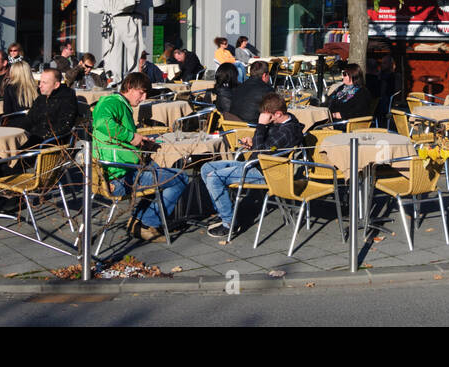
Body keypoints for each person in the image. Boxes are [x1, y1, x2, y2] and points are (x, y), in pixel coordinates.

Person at [92, 72, 189, 241]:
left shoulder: (121, 104)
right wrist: (131, 137)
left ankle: (138, 220)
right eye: (141, 93)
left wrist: (141, 142)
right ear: (129, 87)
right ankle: (146, 223)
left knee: (159, 169)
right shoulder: (111, 101)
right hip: (119, 177)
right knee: (180, 178)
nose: (143, 98)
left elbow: (116, 138)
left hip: (122, 170)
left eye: (146, 94)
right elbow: (102, 123)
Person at [202, 92, 305, 239]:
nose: (264, 118)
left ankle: (229, 223)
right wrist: (252, 142)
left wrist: (261, 125)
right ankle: (223, 211)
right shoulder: (279, 123)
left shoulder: (287, 131)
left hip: (265, 172)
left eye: (267, 115)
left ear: (278, 114)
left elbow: (262, 151)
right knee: (207, 168)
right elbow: (264, 147)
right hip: (256, 163)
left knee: (214, 178)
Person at [22, 69, 79, 146]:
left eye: (44, 83)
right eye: (40, 81)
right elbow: (29, 119)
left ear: (56, 85)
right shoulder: (41, 98)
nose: (40, 85)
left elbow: (64, 127)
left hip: (49, 144)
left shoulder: (66, 99)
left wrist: (39, 136)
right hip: (33, 139)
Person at [217, 59, 272, 124]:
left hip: (233, 127)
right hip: (253, 128)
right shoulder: (267, 90)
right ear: (264, 75)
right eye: (269, 74)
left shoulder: (238, 88)